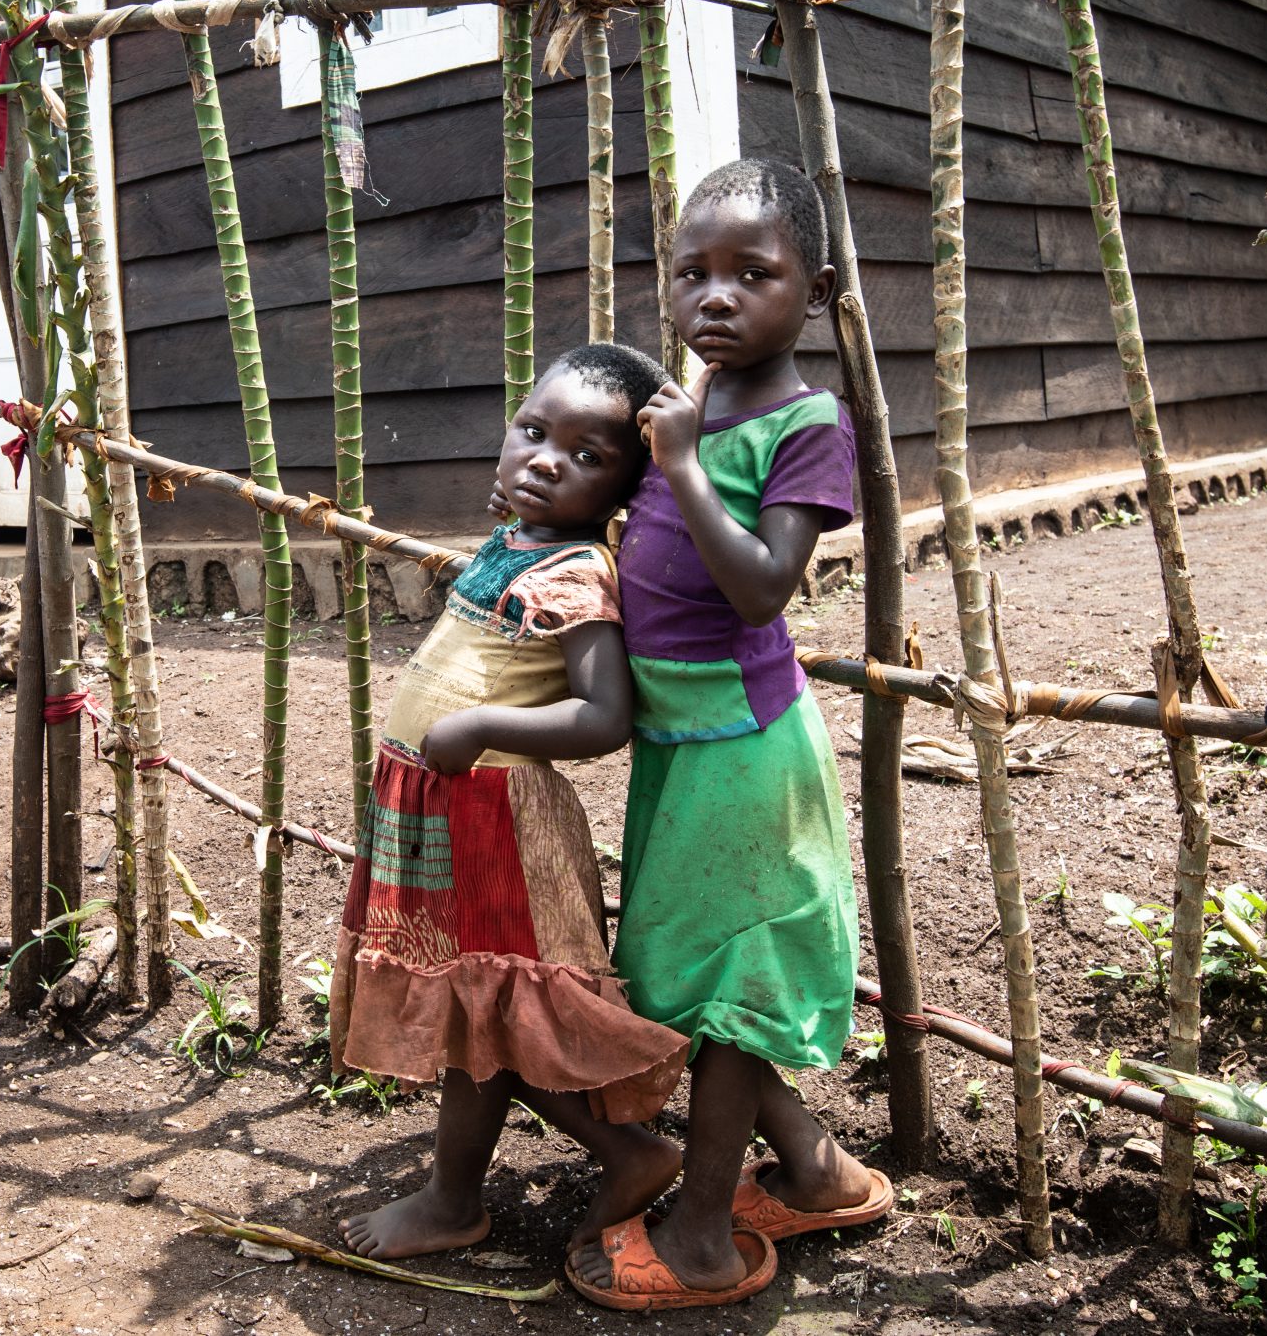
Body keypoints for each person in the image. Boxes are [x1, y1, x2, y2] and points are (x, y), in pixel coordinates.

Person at [566, 160, 892, 1312]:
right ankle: (807, 1171)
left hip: (748, 754)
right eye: (693, 273)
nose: (716, 298)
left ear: (816, 286)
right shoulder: (680, 409)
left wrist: (688, 464)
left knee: (737, 988)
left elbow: (761, 591)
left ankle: (703, 1233)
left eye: (752, 274)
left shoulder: (806, 425)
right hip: (678, 742)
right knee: (704, 974)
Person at [333, 344, 690, 1264]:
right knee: (472, 1007)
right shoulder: (518, 542)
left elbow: (605, 713)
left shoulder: (577, 572)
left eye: (584, 455)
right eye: (531, 431)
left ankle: (473, 1194)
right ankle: (608, 1154)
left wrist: (480, 721)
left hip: (492, 819)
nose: (543, 459)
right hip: (433, 808)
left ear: (622, 489)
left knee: (489, 1006)